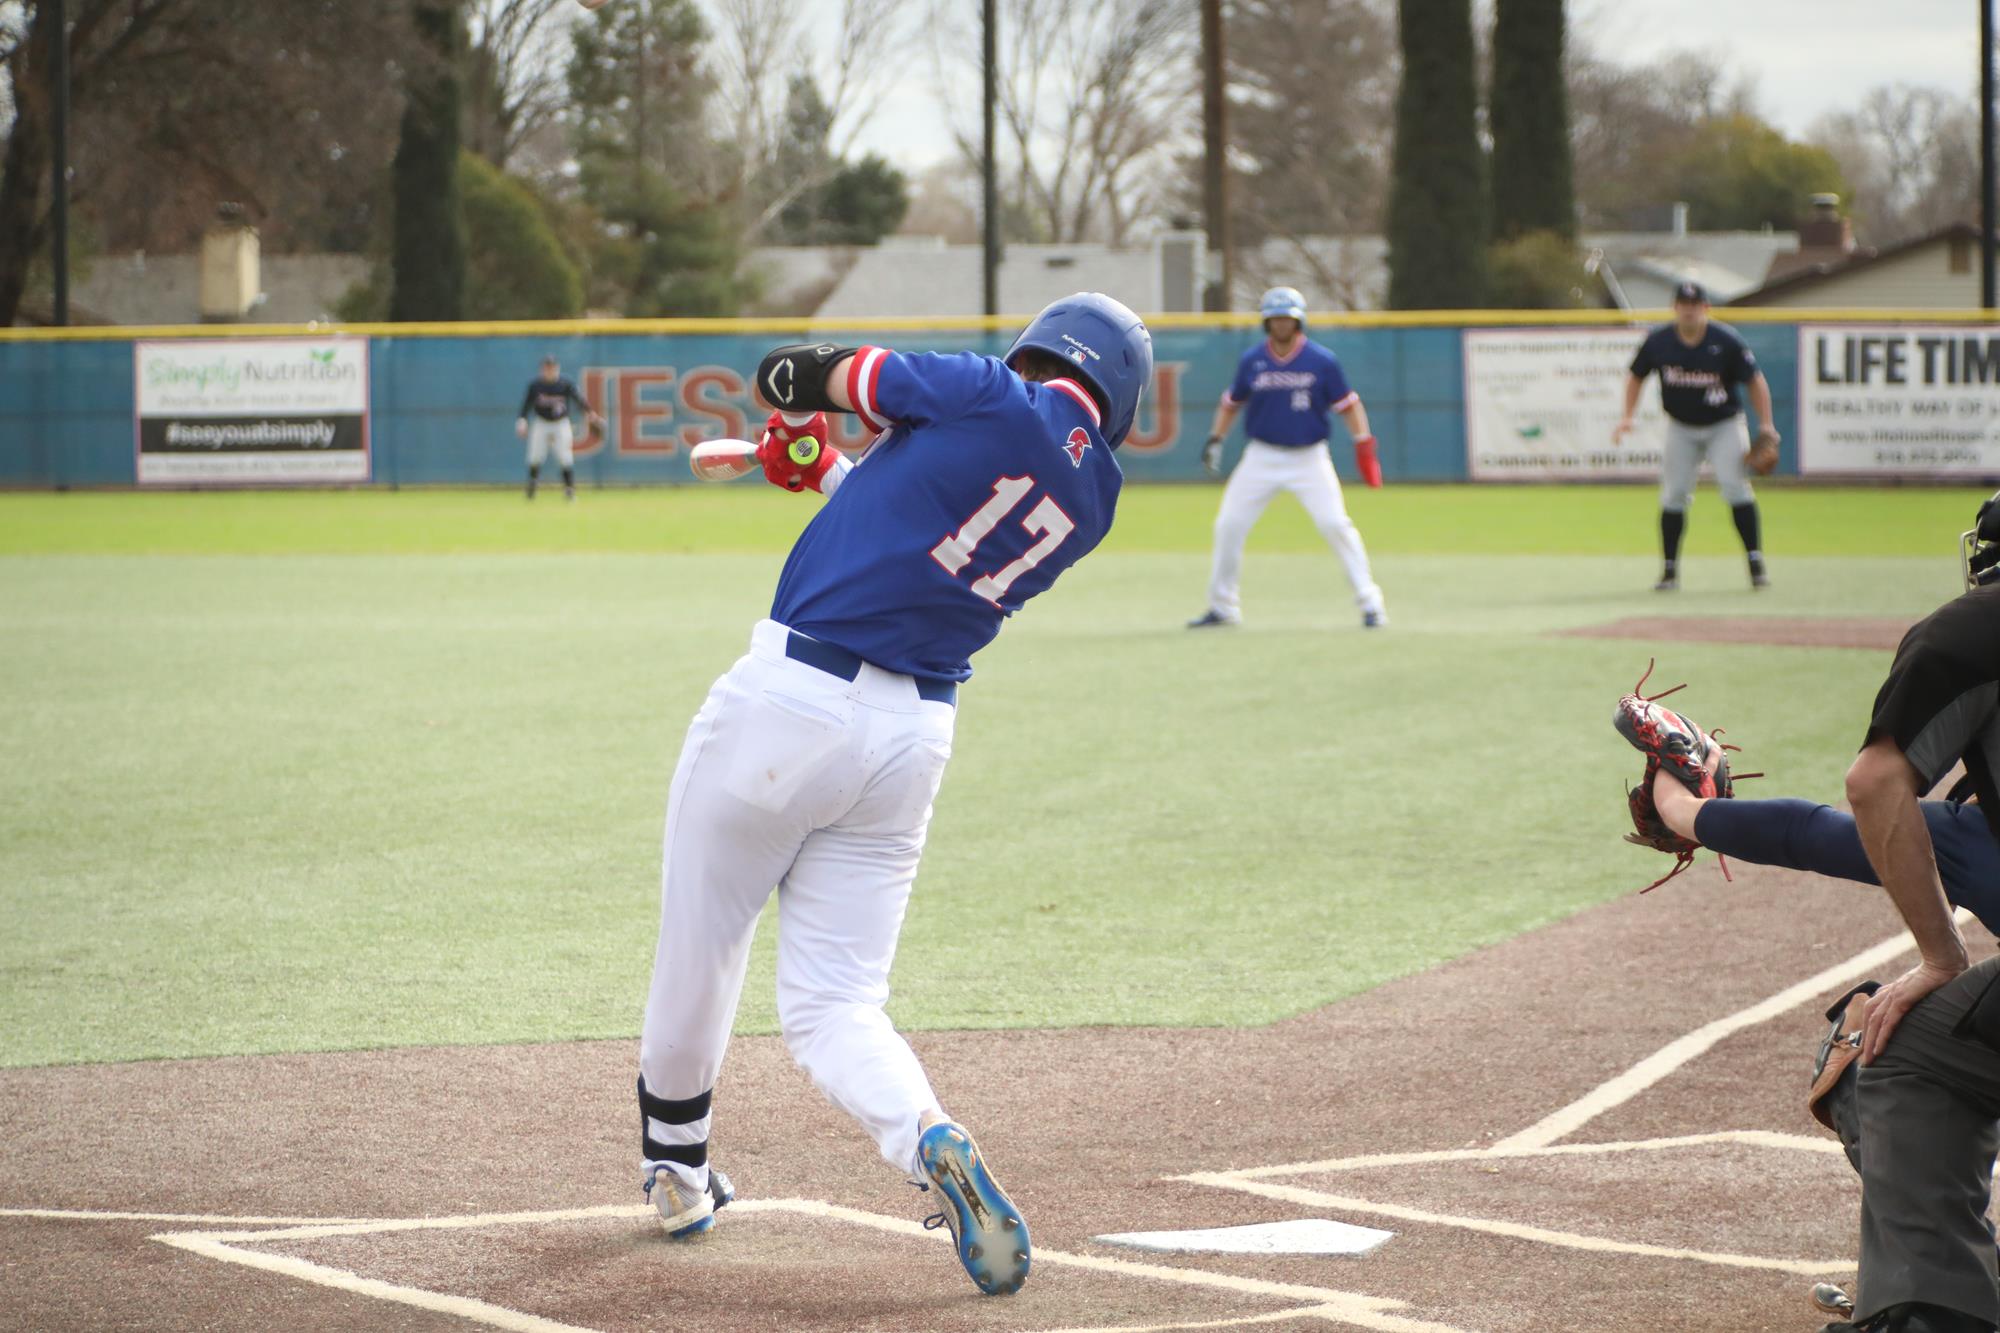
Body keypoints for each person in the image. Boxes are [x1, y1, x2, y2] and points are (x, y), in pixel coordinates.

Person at [634, 293, 1152, 1299]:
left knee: (703, 941)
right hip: (910, 738)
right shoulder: (1094, 497)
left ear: (1040, 349)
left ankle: (677, 1173)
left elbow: (791, 369)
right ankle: (929, 1136)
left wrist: (795, 421)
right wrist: (822, 469)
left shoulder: (986, 390)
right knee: (837, 1002)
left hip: (791, 703)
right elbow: (929, 529)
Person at [1616, 492, 2000, 1333]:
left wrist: (1682, 808)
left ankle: (1936, 1305)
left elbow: (1847, 809)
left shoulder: (1972, 644)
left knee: (1894, 1046)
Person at [1187, 286, 1387, 631]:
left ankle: (1371, 603)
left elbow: (1349, 406)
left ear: (1299, 321)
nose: (1281, 324)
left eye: (1287, 318)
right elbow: (1231, 403)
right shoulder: (1253, 360)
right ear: (1266, 322)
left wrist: (1363, 443)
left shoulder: (1322, 361)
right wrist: (1216, 438)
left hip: (1309, 458)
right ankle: (1223, 607)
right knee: (1228, 525)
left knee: (1335, 524)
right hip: (1261, 457)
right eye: (1275, 319)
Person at [1612, 280, 1782, 593]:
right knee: (1673, 494)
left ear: (1705, 308)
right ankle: (1669, 571)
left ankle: (1755, 563)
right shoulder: (1659, 341)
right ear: (1675, 308)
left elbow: (1755, 381)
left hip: (1724, 424)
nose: (1689, 310)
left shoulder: (1725, 340)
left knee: (1735, 488)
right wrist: (1627, 416)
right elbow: (1635, 376)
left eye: (1694, 305)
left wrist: (1766, 424)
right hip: (1681, 426)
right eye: (1683, 304)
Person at [515, 355, 604, 501]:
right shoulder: (535, 385)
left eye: (552, 367)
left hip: (560, 423)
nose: (549, 370)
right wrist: (522, 419)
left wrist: (590, 413)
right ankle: (532, 486)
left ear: (557, 368)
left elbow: (579, 399)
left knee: (565, 456)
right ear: (542, 369)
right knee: (535, 456)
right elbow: (526, 404)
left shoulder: (565, 384)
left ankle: (569, 490)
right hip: (541, 423)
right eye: (547, 367)